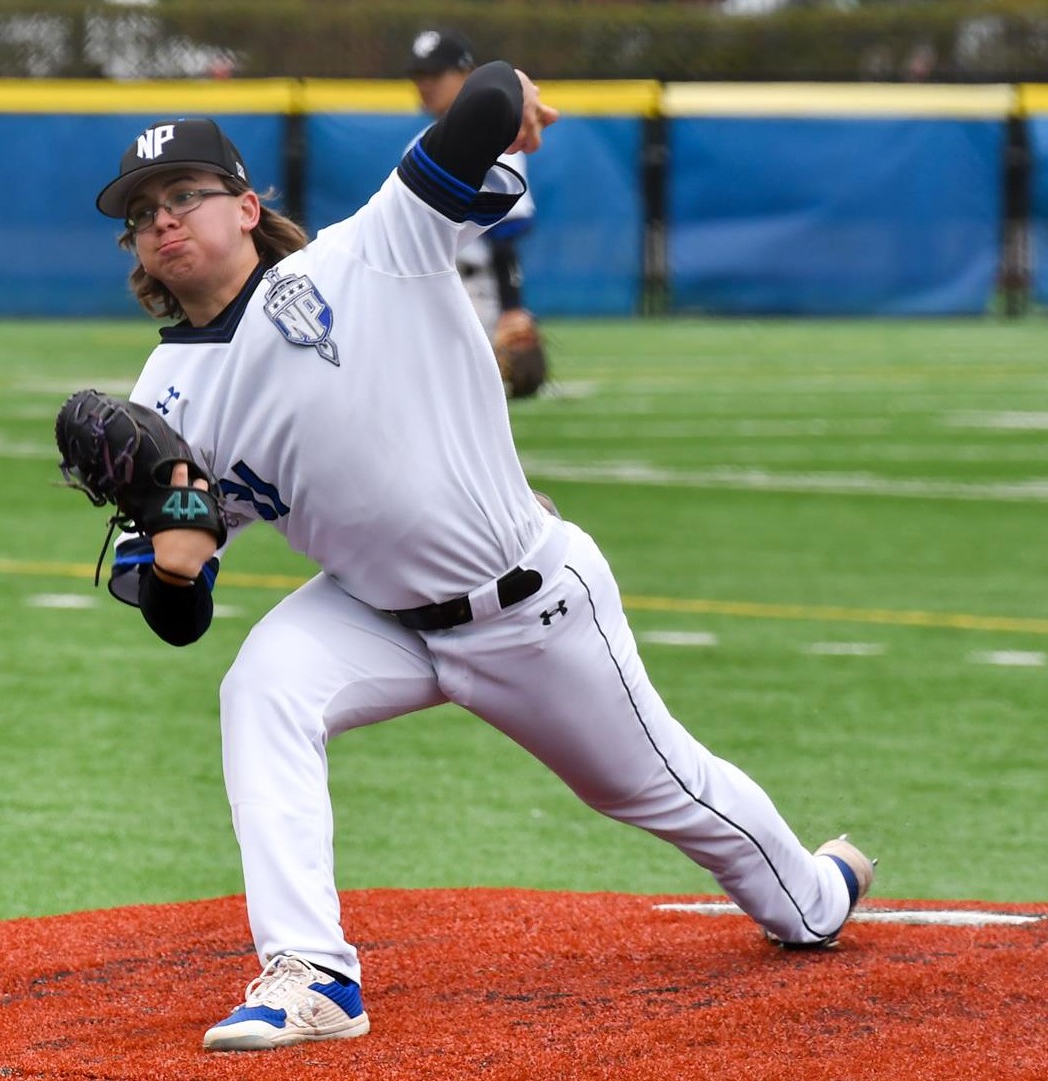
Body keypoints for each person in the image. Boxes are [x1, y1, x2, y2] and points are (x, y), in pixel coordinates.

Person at [88, 62, 873, 1053]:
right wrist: (173, 554)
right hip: (371, 611)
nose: (164, 220)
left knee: (662, 790)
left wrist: (511, 99)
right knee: (262, 688)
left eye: (185, 195)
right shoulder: (164, 393)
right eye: (142, 211)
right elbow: (178, 612)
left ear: (247, 207)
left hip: (530, 605)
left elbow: (489, 99)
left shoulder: (370, 250)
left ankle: (814, 890)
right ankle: (312, 972)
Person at [407, 28, 548, 398]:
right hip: (425, 289)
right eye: (419, 75)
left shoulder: (494, 139)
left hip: (475, 295)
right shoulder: (419, 143)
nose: (424, 84)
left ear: (467, 75)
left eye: (436, 74)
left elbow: (505, 234)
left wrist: (512, 308)